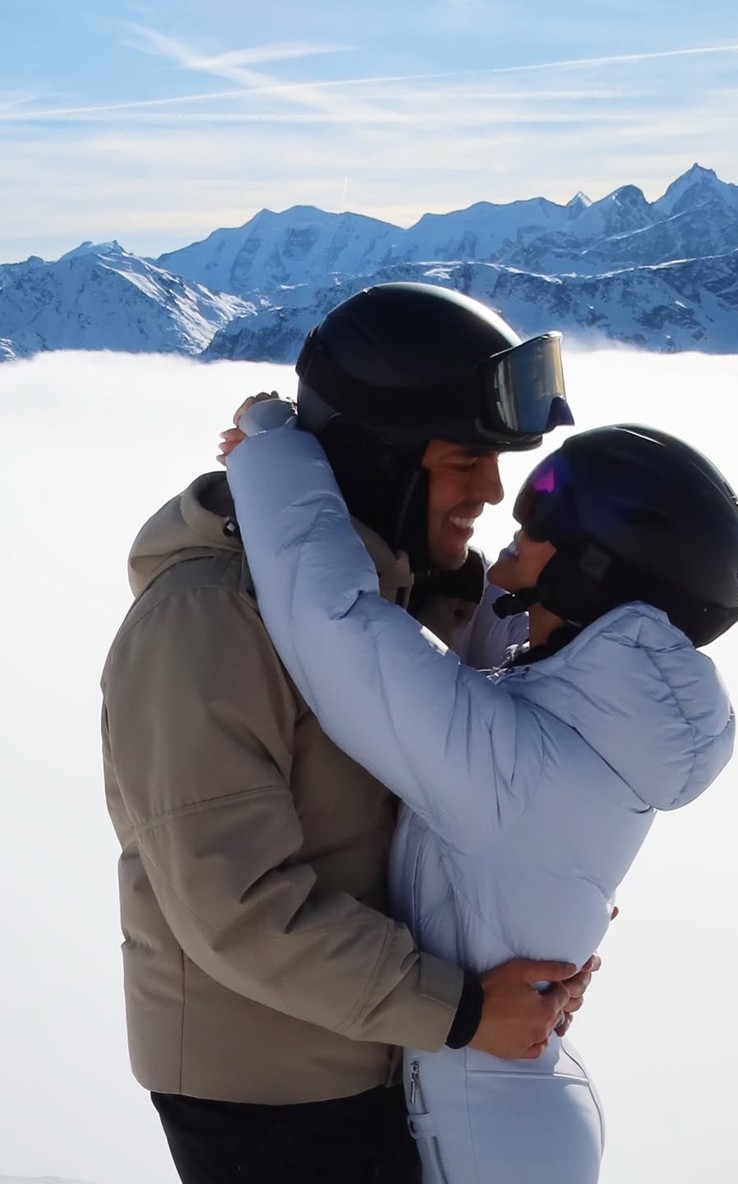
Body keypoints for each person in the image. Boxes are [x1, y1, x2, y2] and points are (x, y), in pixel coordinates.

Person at [100, 282, 593, 1184]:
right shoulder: (207, 620)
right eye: (463, 460)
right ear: (381, 463)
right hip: (268, 1093)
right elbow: (237, 906)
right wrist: (460, 1008)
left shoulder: (397, 609)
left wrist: (529, 957)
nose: (490, 490)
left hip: (379, 1048)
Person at [223, 414, 738, 1184]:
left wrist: (276, 452)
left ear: (599, 569)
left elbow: (334, 627)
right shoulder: (586, 721)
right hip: (512, 1116)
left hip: (491, 1151)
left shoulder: (521, 765)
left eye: (546, 510)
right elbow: (476, 667)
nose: (514, 507)